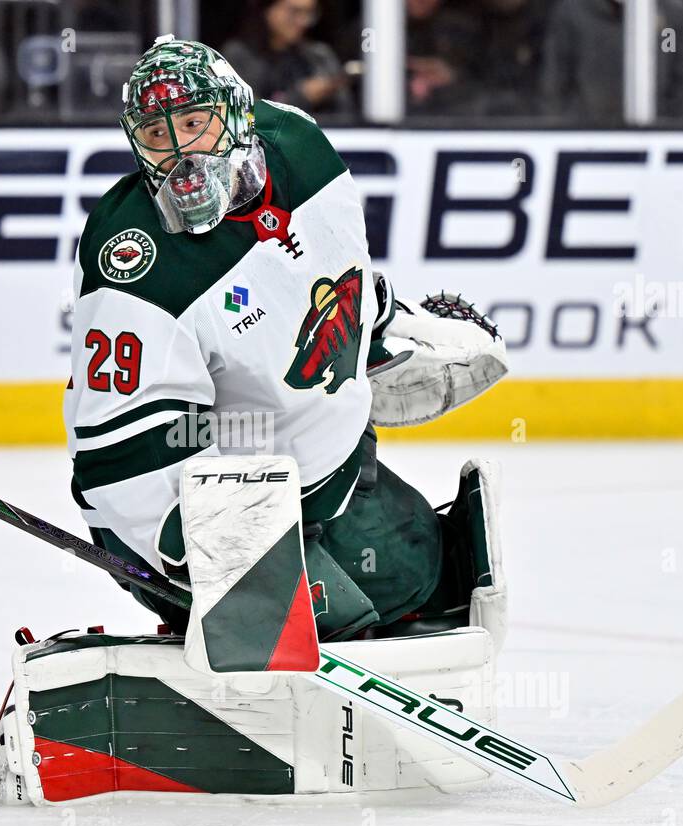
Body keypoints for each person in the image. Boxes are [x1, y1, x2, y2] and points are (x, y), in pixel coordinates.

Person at [64, 36, 508, 643]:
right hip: (206, 516)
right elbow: (121, 455)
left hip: (334, 472)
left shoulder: (302, 146)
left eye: (195, 123)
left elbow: (331, 269)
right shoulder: (134, 264)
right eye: (158, 135)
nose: (180, 155)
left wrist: (377, 329)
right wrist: (211, 558)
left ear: (239, 114)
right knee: (333, 622)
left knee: (429, 577)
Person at [540, 0, 683, 122]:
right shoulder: (571, 12)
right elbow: (555, 86)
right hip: (588, 135)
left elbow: (676, 80)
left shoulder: (671, 20)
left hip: (653, 135)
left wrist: (675, 134)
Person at [220, 0, 354, 119]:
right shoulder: (238, 56)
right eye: (294, 11)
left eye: (310, 12)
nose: (303, 21)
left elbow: (347, 113)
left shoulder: (320, 56)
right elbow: (244, 114)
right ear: (268, 9)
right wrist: (301, 97)